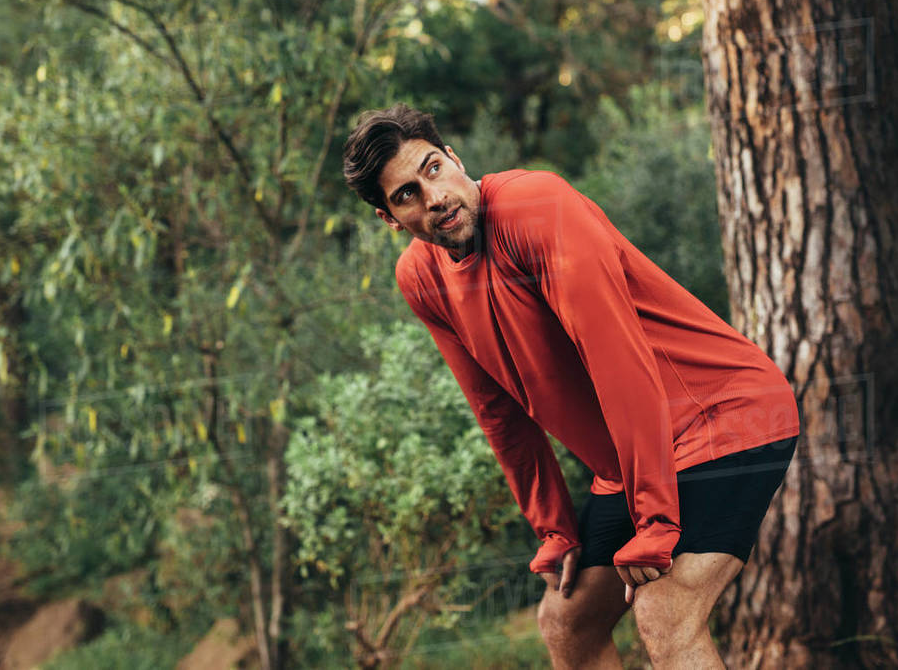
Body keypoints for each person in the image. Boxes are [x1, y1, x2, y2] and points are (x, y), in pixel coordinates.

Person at [342, 103, 800, 669]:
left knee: (664, 611)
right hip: (633, 458)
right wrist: (554, 525)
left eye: (433, 169)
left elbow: (619, 362)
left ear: (455, 158)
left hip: (725, 414)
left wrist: (656, 521)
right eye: (407, 194)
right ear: (391, 218)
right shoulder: (421, 278)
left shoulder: (538, 208)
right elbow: (497, 412)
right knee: (567, 621)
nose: (433, 197)